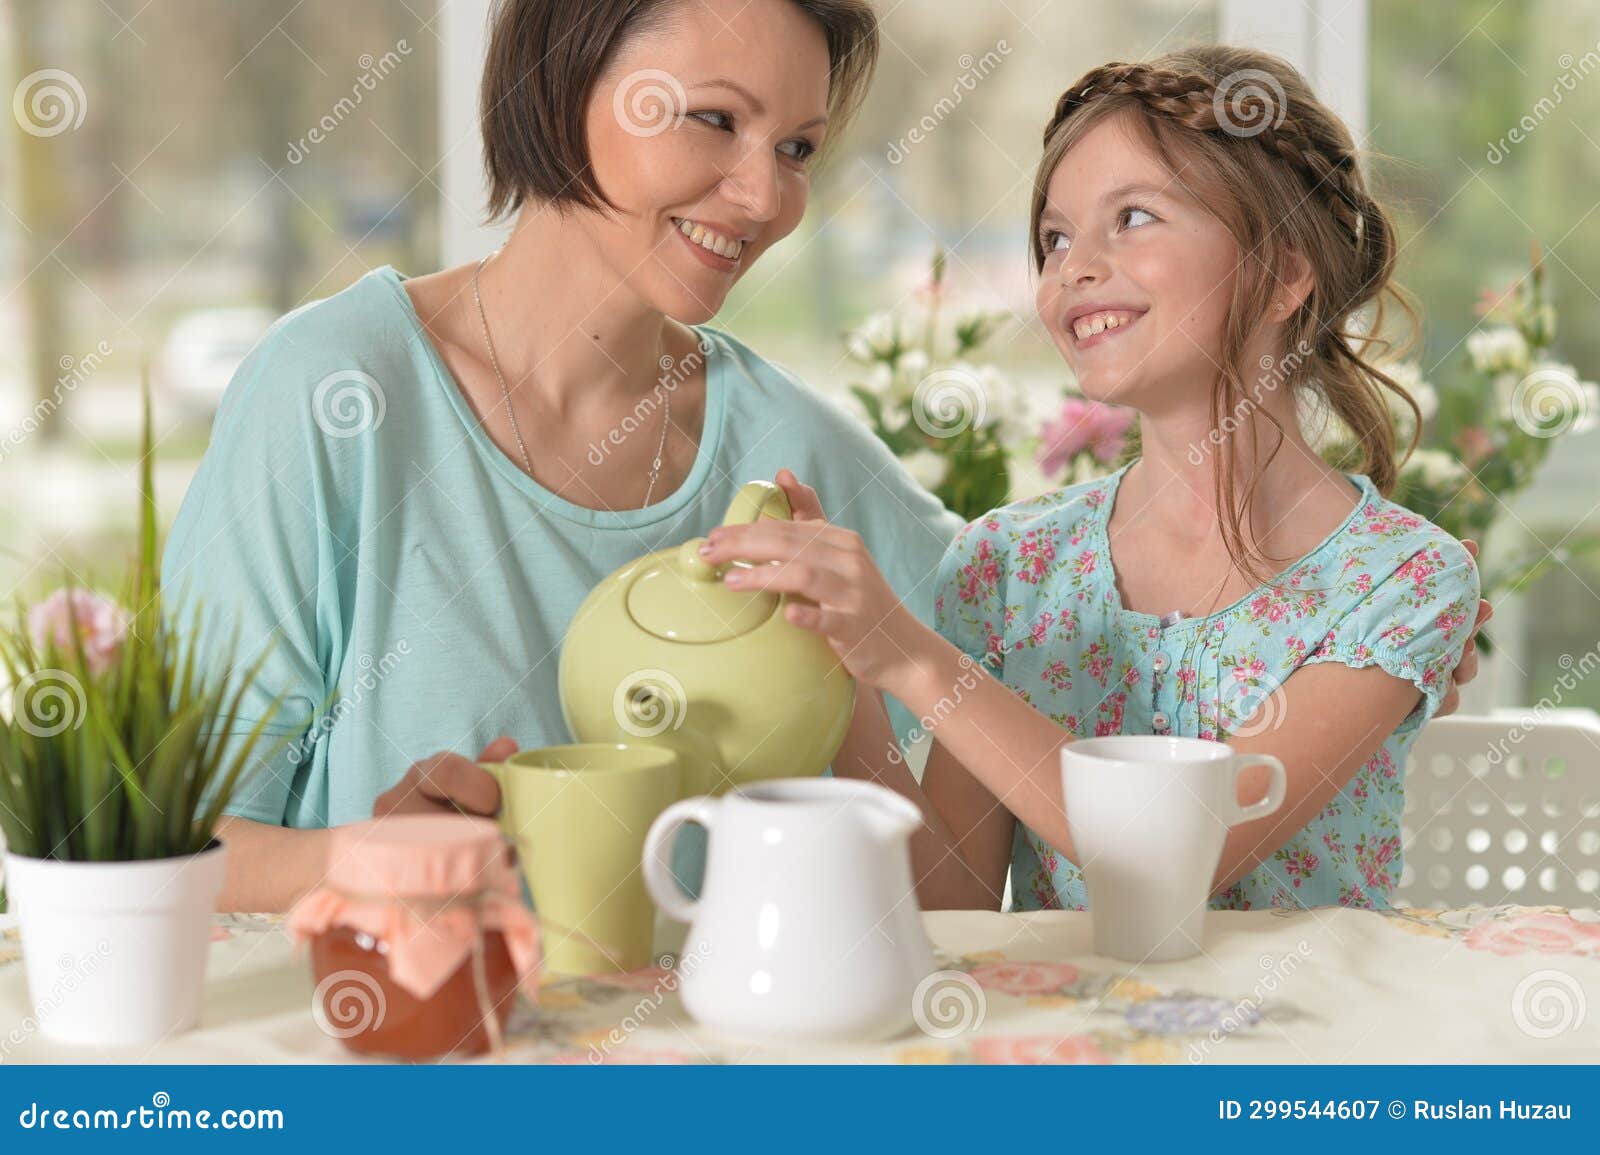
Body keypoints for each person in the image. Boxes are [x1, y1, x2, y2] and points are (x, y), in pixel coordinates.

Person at [162, 0, 965, 912]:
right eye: (715, 120)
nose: (765, 197)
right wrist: (371, 859)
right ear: (561, 86)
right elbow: (168, 845)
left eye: (797, 149)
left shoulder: (798, 455)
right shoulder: (336, 397)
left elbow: (970, 826)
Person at [700, 46, 1492, 912]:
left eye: (1135, 217)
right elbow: (954, 901)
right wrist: (848, 670)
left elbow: (1186, 852)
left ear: (1286, 273)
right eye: (1055, 237)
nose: (1072, 266)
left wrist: (915, 659)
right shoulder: (1010, 564)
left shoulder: (1400, 578)